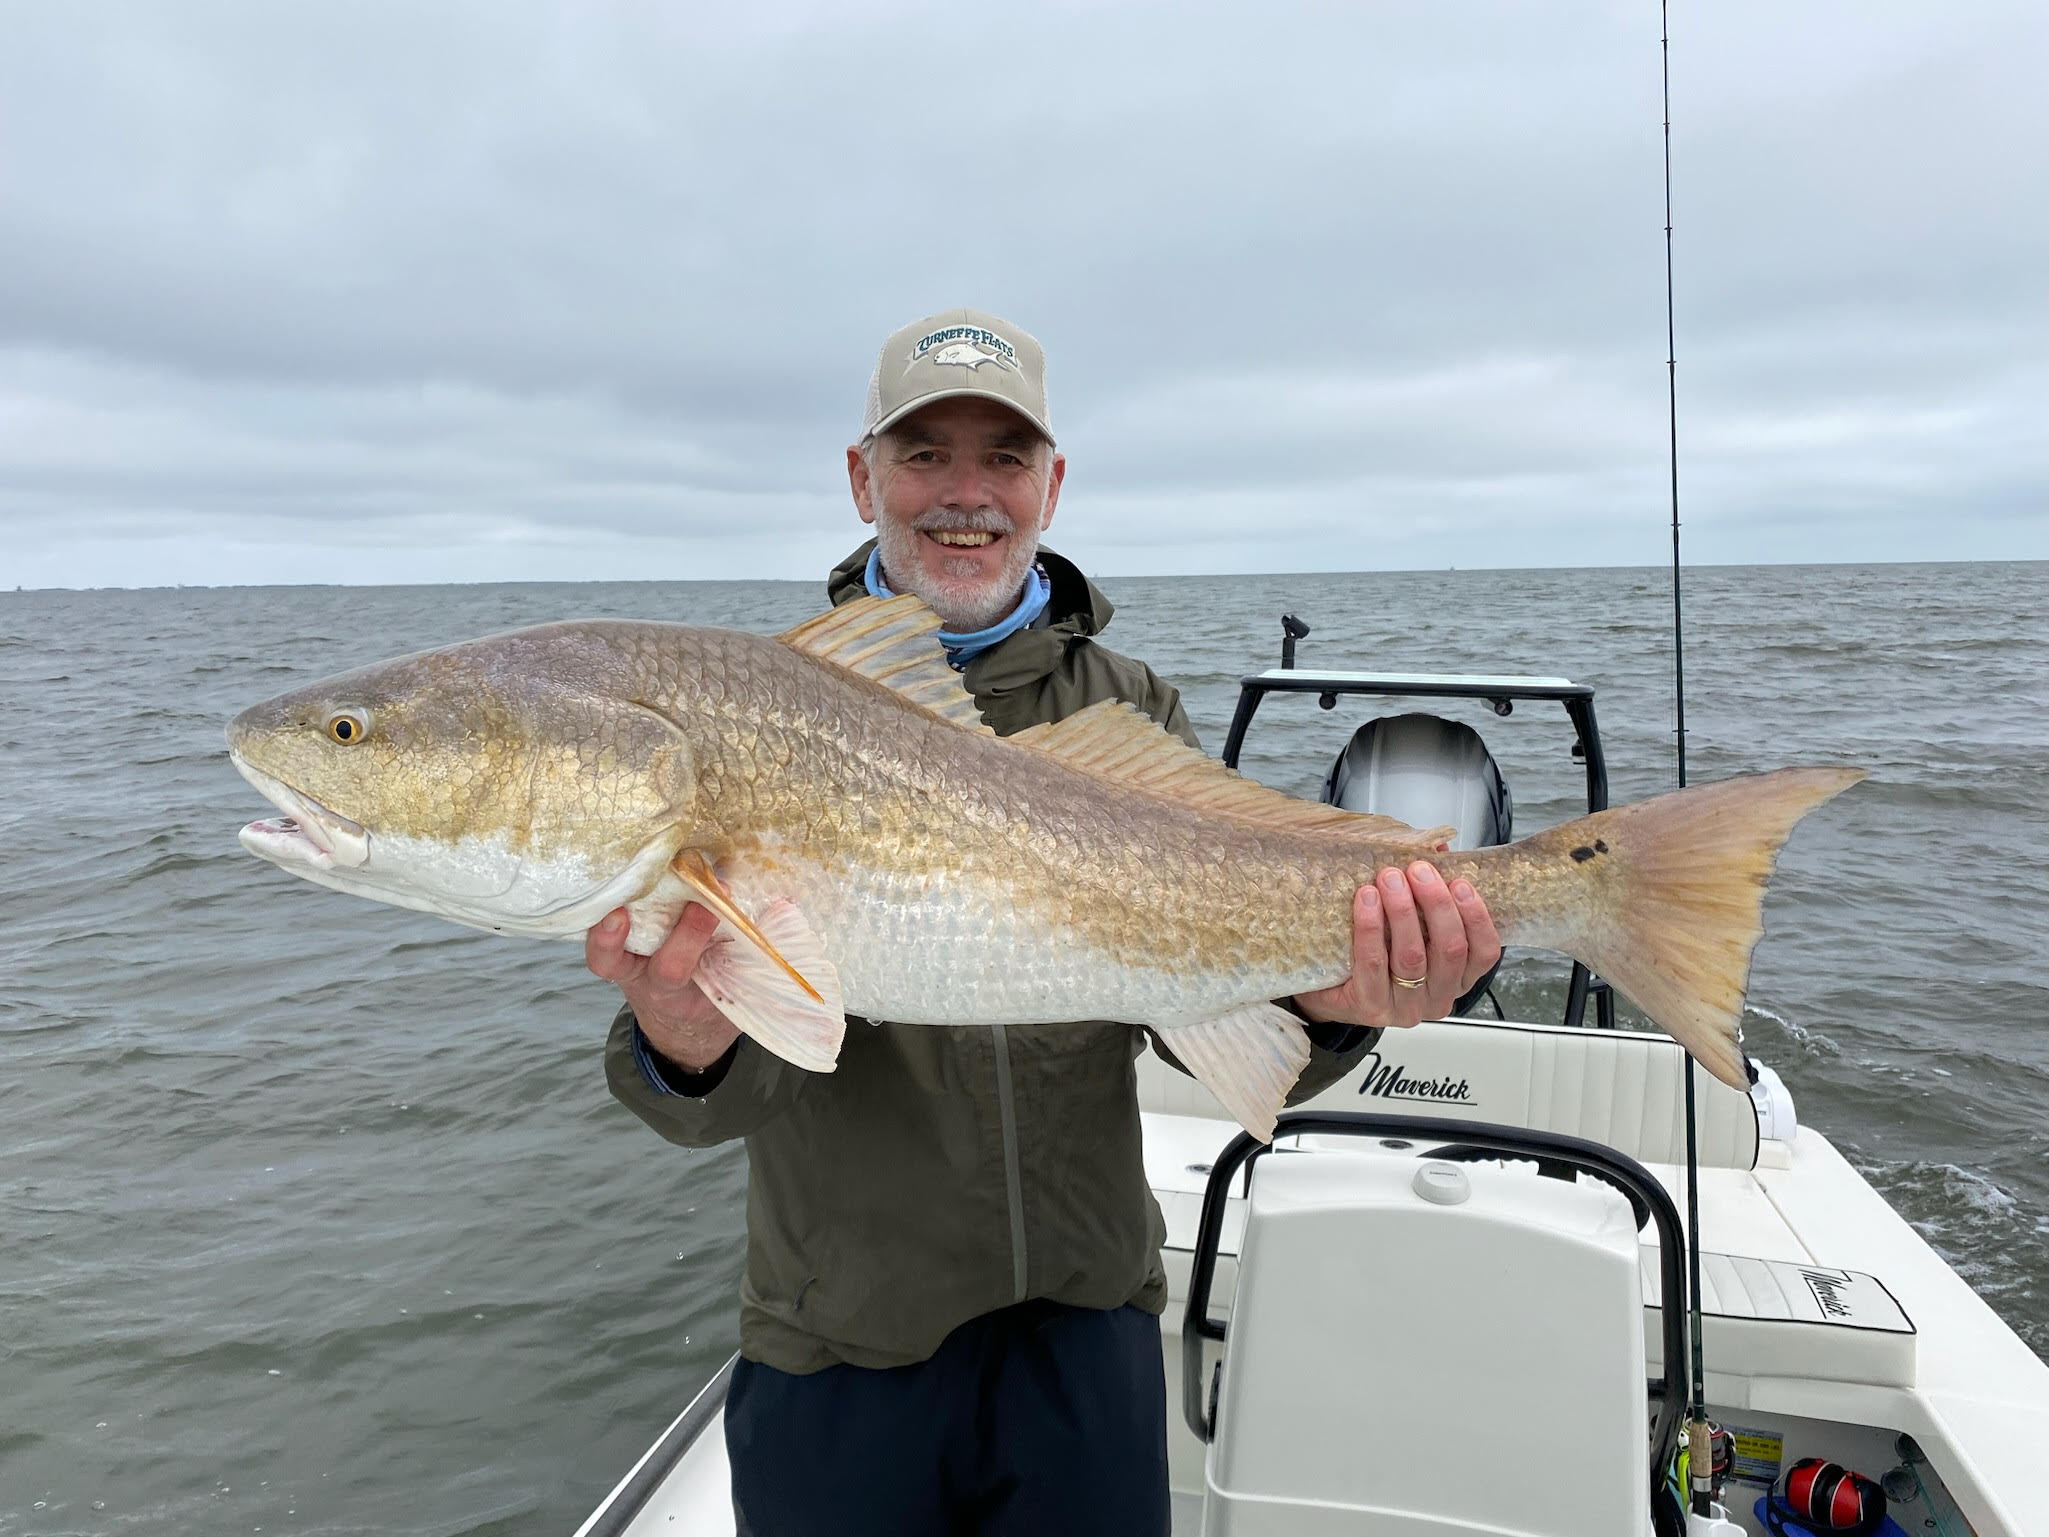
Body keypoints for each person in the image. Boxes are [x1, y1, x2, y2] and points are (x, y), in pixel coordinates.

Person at [585, 308, 1502, 1536]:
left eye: (1004, 458)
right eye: (924, 455)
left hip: (1087, 1320)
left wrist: (1329, 1001)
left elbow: (1195, 1010)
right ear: (861, 478)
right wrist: (684, 1041)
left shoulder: (1129, 706)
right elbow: (731, 1098)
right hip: (841, 1338)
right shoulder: (753, 718)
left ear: (1052, 486)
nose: (966, 496)